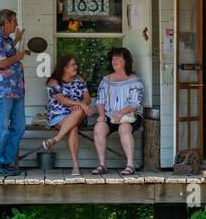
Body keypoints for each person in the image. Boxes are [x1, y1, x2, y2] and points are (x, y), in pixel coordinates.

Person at [0, 8, 29, 176]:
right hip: (3, 91)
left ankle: (6, 162)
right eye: (14, 21)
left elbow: (8, 53)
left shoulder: (6, 39)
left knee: (18, 127)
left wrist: (17, 39)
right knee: (2, 128)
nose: (16, 24)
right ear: (6, 22)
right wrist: (18, 56)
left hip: (16, 90)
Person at [93, 47, 145, 175]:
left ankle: (130, 165)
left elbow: (135, 103)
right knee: (99, 127)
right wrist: (101, 115)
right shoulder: (106, 80)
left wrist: (121, 113)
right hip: (110, 115)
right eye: (113, 58)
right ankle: (102, 165)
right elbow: (99, 100)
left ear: (126, 61)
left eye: (118, 57)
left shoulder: (134, 80)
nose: (114, 60)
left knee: (124, 128)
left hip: (130, 116)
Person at [45, 55, 92, 176]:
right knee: (73, 127)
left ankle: (56, 139)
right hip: (59, 116)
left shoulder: (79, 80)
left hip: (79, 115)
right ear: (64, 68)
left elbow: (87, 97)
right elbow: (62, 100)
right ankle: (75, 166)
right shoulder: (53, 82)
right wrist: (79, 104)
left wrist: (81, 105)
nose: (76, 67)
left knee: (78, 112)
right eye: (72, 65)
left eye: (75, 64)